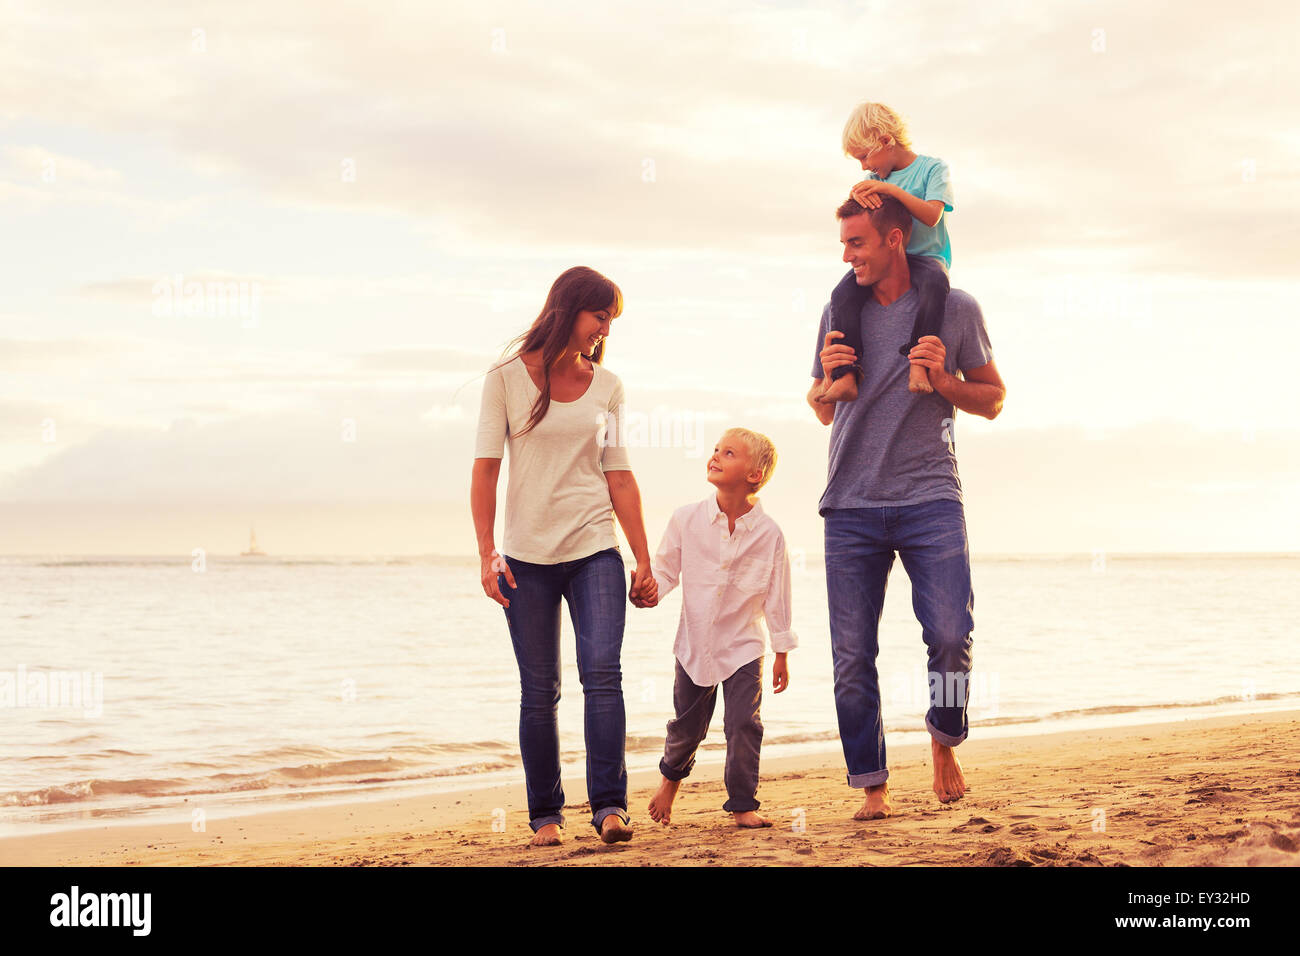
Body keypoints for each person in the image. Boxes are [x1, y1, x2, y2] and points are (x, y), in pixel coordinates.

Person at [806, 194, 1006, 820]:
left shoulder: (955, 308)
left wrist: (945, 381)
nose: (847, 256)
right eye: (843, 245)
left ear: (895, 239)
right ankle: (872, 786)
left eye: (857, 243)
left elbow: (994, 399)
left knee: (950, 635)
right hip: (850, 502)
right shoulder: (839, 311)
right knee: (851, 655)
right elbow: (820, 406)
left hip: (929, 498)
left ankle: (945, 739)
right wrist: (824, 381)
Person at [470, 265, 656, 847]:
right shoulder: (505, 378)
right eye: (599, 315)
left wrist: (642, 560)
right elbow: (485, 470)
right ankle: (546, 816)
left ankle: (610, 808)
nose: (604, 329)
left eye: (610, 320)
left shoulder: (608, 385)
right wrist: (486, 554)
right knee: (539, 689)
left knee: (603, 675)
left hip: (594, 546)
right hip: (525, 556)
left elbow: (619, 475)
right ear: (568, 308)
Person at [638, 428, 797, 829]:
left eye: (729, 453)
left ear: (755, 474)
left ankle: (743, 804)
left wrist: (781, 653)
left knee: (744, 723)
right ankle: (669, 783)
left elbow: (778, 595)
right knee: (686, 727)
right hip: (693, 645)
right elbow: (664, 571)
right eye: (715, 450)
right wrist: (648, 590)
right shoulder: (686, 518)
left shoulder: (770, 534)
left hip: (744, 646)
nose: (715, 456)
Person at [820, 101, 956, 403]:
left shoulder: (933, 169)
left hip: (926, 259)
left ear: (886, 141)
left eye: (865, 156)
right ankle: (846, 374)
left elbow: (932, 216)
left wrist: (892, 192)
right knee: (841, 295)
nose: (864, 167)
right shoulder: (873, 180)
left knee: (935, 285)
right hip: (888, 263)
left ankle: (918, 365)